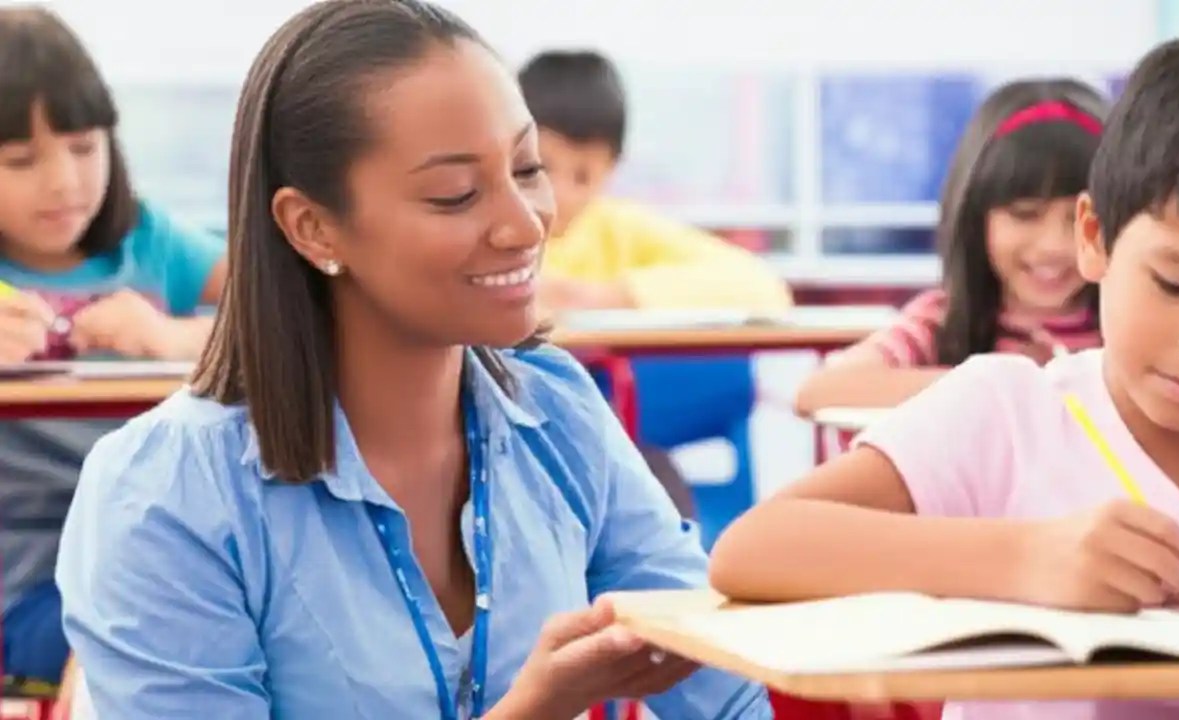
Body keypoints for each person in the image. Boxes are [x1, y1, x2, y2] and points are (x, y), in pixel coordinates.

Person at [55, 2, 772, 718]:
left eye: (527, 169)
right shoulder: (167, 497)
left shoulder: (558, 413)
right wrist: (536, 709)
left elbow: (728, 690)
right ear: (312, 227)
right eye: (455, 194)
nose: (525, 224)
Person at [710, 29, 1179, 719]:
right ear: (1094, 238)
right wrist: (1028, 557)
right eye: (1174, 284)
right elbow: (753, 548)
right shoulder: (1007, 409)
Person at [0, 6, 225, 691]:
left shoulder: (151, 242)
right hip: (33, 580)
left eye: (83, 146)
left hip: (175, 545)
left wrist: (173, 337)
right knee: (126, 644)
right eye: (20, 160)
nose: (65, 182)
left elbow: (293, 309)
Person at [794, 79, 1107, 416]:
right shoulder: (943, 323)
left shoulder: (1126, 323)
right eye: (1024, 215)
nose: (1054, 246)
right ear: (975, 216)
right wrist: (1001, 387)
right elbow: (819, 391)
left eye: (1081, 220)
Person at [518, 49, 792, 316]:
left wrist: (600, 298)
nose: (560, 194)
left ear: (612, 168)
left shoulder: (616, 228)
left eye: (583, 177)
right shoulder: (491, 226)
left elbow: (764, 289)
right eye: (541, 168)